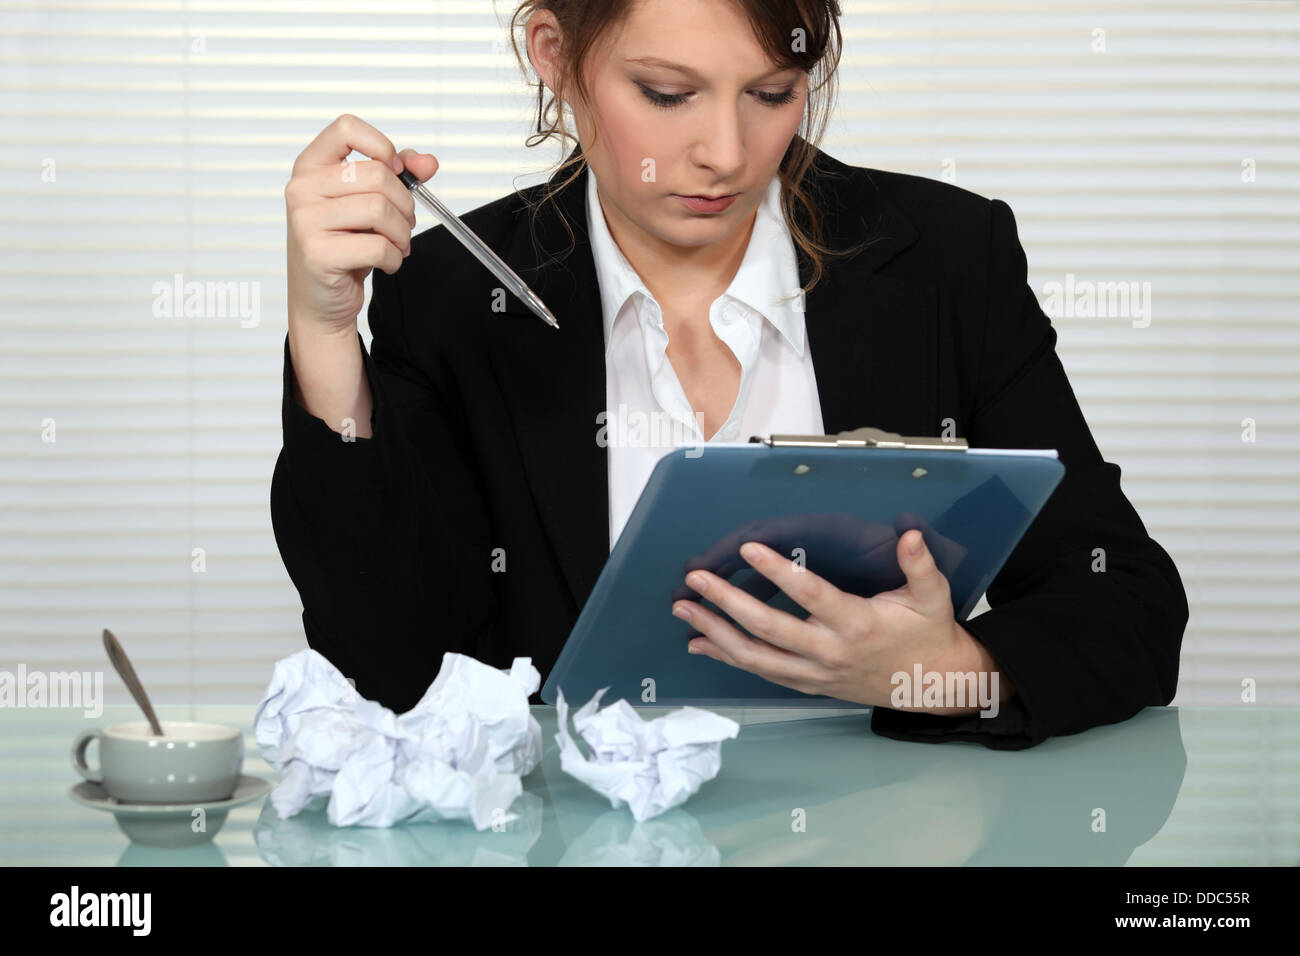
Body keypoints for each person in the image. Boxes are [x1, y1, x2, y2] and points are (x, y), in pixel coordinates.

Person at [273, 0, 1188, 750]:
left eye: (772, 92)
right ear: (552, 53)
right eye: (667, 93)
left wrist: (949, 672)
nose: (725, 153)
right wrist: (324, 336)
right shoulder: (452, 294)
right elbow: (386, 671)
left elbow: (1127, 601)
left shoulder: (949, 261)